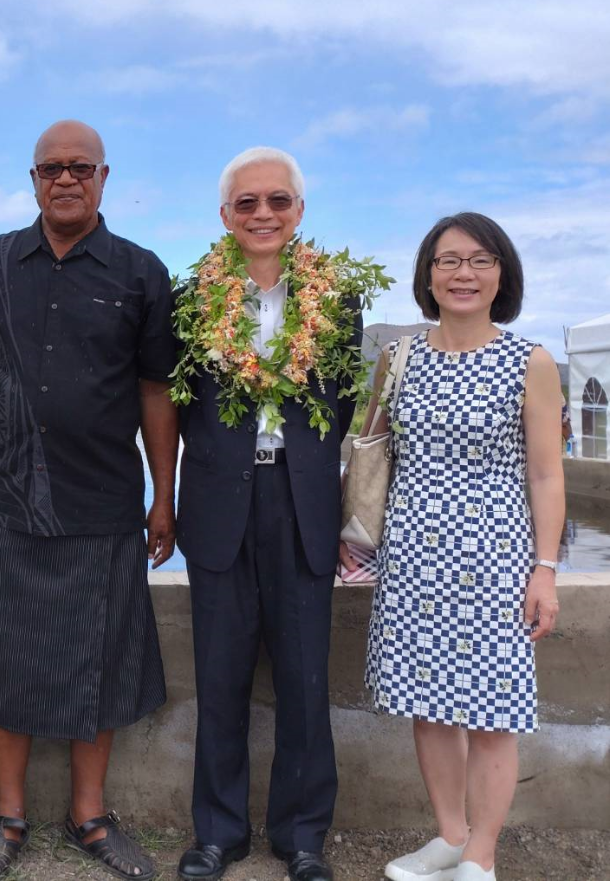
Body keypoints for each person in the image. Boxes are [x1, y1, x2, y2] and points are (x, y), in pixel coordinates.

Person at [0, 120, 177, 881]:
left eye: (80, 166)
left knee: (103, 664)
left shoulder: (142, 272)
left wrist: (163, 497)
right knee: (7, 663)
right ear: (34, 179)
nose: (66, 178)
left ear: (105, 177)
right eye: (51, 168)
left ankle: (90, 815)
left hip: (104, 499)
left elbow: (155, 391)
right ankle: (8, 816)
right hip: (3, 497)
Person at [350, 213, 563, 881]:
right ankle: (447, 836)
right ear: (428, 274)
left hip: (496, 555)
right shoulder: (399, 356)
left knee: (493, 712)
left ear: (502, 273)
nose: (463, 273)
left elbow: (546, 472)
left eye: (479, 260)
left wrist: (546, 569)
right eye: (448, 261)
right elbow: (372, 452)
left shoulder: (529, 361)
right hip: (413, 556)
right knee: (429, 705)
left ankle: (481, 856)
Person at [175, 148, 361, 881]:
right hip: (223, 500)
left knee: (306, 682)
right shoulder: (194, 298)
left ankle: (302, 835)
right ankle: (218, 833)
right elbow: (175, 399)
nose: (262, 214)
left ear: (299, 212)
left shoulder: (337, 300)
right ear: (225, 216)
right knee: (219, 679)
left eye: (277, 201)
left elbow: (342, 405)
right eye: (247, 203)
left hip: (300, 499)